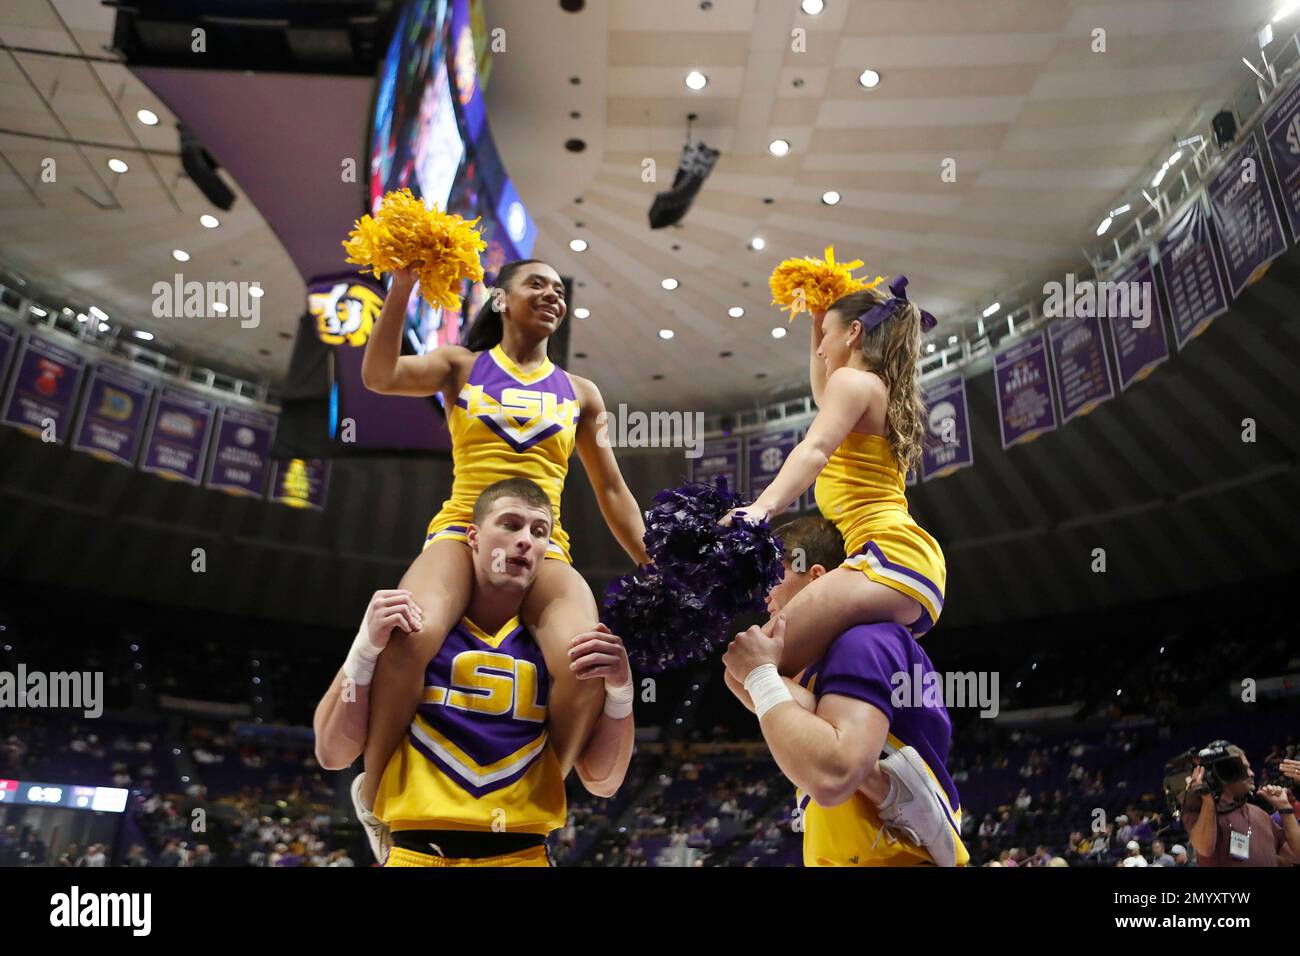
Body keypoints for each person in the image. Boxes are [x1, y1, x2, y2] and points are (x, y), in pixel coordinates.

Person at [316, 259, 649, 796]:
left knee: (584, 661)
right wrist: (400, 288)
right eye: (536, 284)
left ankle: (543, 795)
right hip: (461, 531)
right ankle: (376, 794)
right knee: (410, 636)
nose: (552, 296)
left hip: (542, 542)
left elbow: (612, 490)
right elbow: (379, 376)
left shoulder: (582, 393)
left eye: (560, 290)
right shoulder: (459, 366)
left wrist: (653, 564)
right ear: (500, 299)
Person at [365, 477, 636, 866]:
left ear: (551, 546)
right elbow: (331, 749)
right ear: (472, 537)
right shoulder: (419, 625)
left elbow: (605, 782)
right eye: (511, 525)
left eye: (539, 532)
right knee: (411, 637)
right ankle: (370, 800)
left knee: (584, 665)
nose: (525, 539)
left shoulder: (565, 643)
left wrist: (622, 692)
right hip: (416, 851)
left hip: (521, 851)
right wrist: (363, 649)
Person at [719, 278, 945, 679]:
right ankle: (873, 740)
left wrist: (761, 508)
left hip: (886, 558)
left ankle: (846, 742)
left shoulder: (854, 382)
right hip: (906, 565)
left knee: (751, 667)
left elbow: (815, 449)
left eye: (825, 337)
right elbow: (824, 390)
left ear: (854, 333)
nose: (820, 349)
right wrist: (817, 319)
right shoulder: (871, 388)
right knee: (786, 676)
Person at [722, 516, 968, 867]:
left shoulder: (866, 639)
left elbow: (831, 773)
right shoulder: (833, 661)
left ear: (818, 576)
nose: (766, 596)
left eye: (775, 577)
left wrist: (759, 674)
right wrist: (757, 677)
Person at [1183, 749, 1300, 867]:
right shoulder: (1204, 814)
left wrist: (1285, 808)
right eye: (1244, 769)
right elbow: (1205, 848)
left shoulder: (1258, 813)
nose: (1251, 773)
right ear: (1224, 774)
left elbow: (1297, 855)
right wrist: (1207, 798)